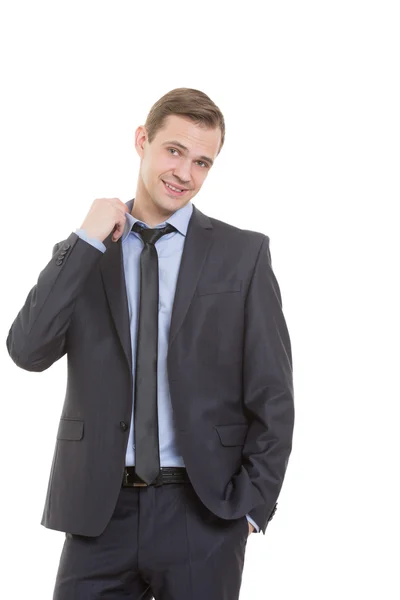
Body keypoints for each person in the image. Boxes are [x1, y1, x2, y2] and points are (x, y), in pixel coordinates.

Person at [6, 87, 294, 599]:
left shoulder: (243, 255)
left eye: (202, 162)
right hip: (99, 511)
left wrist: (252, 506)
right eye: (175, 151)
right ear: (143, 140)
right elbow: (28, 350)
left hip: (204, 510)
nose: (185, 173)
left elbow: (273, 394)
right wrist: (85, 239)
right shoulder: (88, 253)